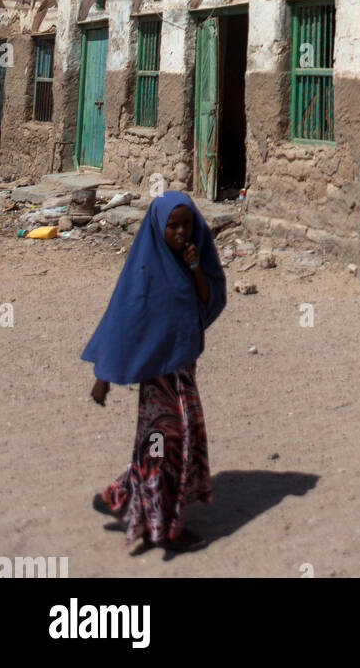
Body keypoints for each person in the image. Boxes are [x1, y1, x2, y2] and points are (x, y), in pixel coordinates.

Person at [82, 191, 226, 551]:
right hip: (159, 387)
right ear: (158, 228)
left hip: (183, 377)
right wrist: (104, 377)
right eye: (172, 226)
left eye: (186, 224)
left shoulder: (191, 261)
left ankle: (122, 495)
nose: (180, 232)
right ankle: (165, 528)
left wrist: (195, 268)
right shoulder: (146, 269)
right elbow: (123, 320)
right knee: (163, 449)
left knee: (167, 448)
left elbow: (209, 300)